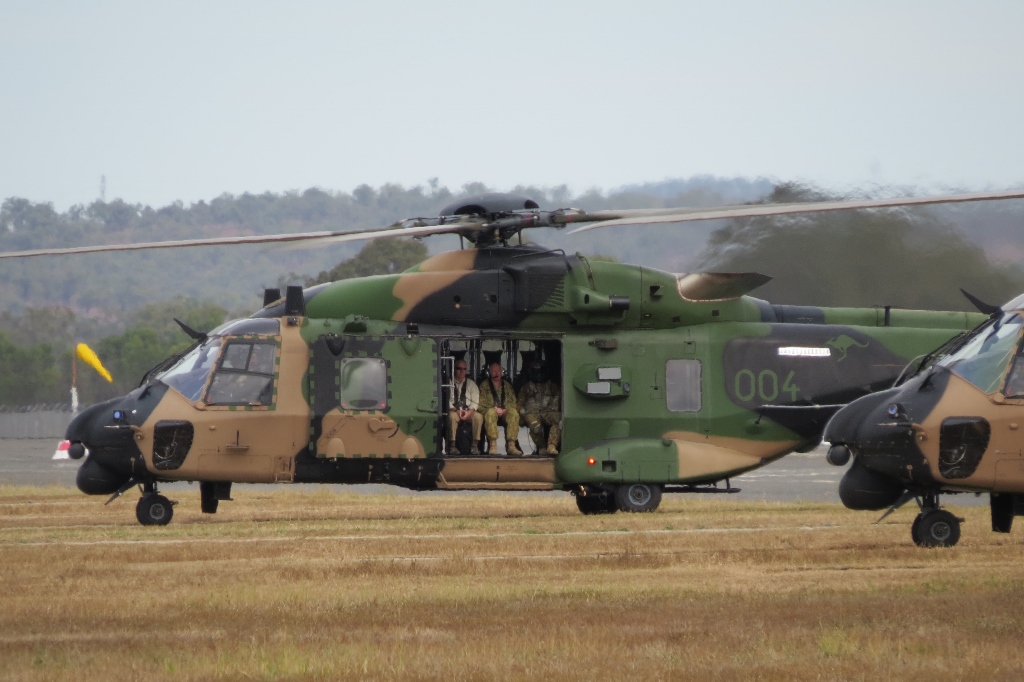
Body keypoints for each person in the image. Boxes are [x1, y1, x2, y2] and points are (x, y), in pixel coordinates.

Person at [517, 358, 562, 455]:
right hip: (532, 413)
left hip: (549, 412)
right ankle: (542, 447)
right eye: (536, 371)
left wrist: (555, 409)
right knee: (535, 426)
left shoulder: (553, 387)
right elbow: (520, 404)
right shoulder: (526, 388)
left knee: (560, 419)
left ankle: (552, 445)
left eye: (541, 371)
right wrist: (522, 415)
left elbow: (558, 400)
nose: (539, 374)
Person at [478, 361, 523, 455]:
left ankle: (511, 445)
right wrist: (494, 409)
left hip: (505, 412)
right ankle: (493, 445)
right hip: (491, 412)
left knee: (513, 413)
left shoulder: (507, 385)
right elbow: (480, 405)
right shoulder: (484, 385)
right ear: (489, 372)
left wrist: (504, 410)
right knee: (490, 413)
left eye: (498, 371)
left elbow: (514, 403)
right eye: (494, 371)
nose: (496, 373)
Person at [447, 357, 482, 455]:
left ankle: (474, 445)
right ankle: (452, 445)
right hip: (454, 411)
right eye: (459, 368)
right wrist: (457, 411)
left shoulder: (471, 384)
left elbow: (475, 401)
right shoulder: (449, 383)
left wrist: (468, 413)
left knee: (478, 417)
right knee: (452, 417)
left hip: (468, 412)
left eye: (464, 369)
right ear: (454, 369)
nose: (461, 371)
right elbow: (446, 401)